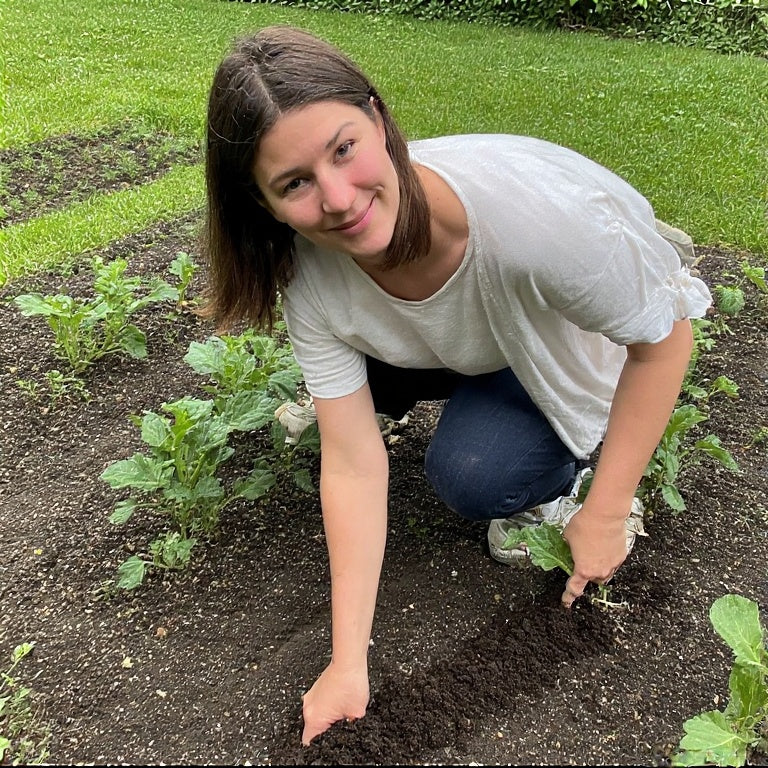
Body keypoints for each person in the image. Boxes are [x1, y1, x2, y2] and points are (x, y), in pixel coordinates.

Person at [201, 25, 712, 745]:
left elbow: (662, 343)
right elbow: (350, 464)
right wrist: (348, 663)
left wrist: (605, 508)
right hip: (461, 329)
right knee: (340, 401)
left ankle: (555, 477)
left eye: (343, 149)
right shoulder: (308, 277)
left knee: (473, 473)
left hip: (558, 332)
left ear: (378, 119)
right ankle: (400, 389)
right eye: (296, 183)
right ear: (265, 204)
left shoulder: (535, 228)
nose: (340, 198)